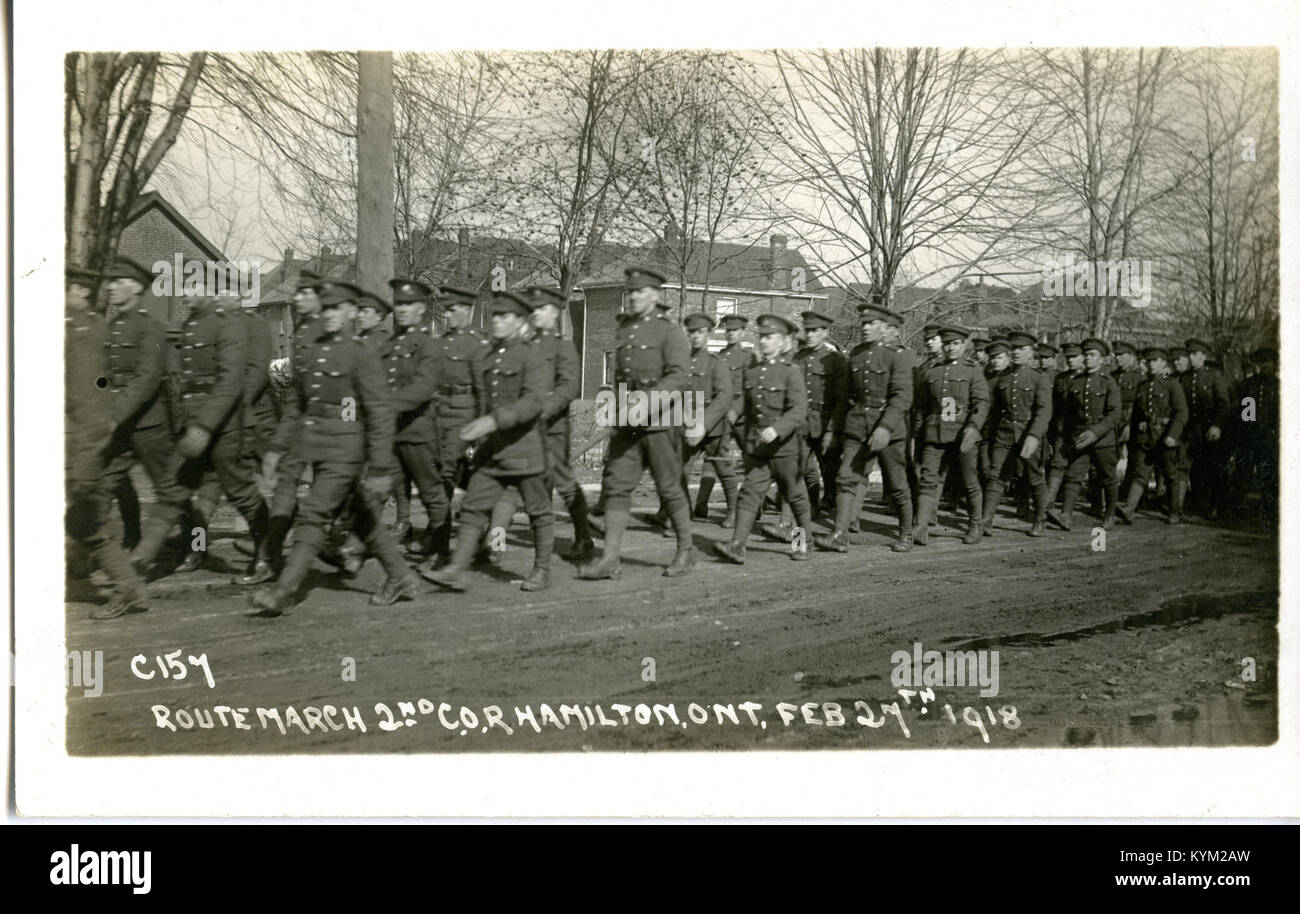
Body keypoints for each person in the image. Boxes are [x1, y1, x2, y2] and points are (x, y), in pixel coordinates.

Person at [249, 281, 419, 615]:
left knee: (313, 514)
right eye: (325, 309)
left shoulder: (361, 354)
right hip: (318, 448)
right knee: (363, 519)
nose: (328, 315)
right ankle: (401, 576)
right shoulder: (313, 350)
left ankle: (284, 591)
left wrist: (381, 468)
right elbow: (297, 406)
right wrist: (275, 449)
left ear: (351, 312)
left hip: (346, 451)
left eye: (336, 309)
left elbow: (380, 414)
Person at [130, 289, 274, 585]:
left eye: (225, 292)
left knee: (243, 493)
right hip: (200, 425)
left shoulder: (242, 324)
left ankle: (268, 554)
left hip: (237, 421)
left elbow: (248, 375)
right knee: (182, 493)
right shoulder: (194, 325)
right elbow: (185, 381)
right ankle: (188, 551)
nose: (184, 294)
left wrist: (219, 418)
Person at [422, 290, 555, 592]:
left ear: (520, 321)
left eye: (504, 316)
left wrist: (494, 421)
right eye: (494, 315)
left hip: (524, 449)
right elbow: (483, 402)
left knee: (537, 510)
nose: (496, 321)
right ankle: (457, 568)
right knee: (473, 505)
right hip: (491, 450)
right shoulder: (485, 355)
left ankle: (542, 570)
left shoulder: (531, 356)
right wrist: (476, 435)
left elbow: (534, 402)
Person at [577, 267, 694, 580]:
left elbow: (679, 376)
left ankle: (686, 550)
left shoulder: (670, 331)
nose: (633, 298)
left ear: (655, 295)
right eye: (630, 293)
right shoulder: (625, 329)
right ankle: (610, 559)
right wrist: (617, 409)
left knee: (669, 488)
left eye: (640, 292)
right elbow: (621, 376)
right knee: (616, 486)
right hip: (628, 424)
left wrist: (649, 402)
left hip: (660, 422)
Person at [65, 265, 149, 619]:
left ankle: (127, 587)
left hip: (85, 439)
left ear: (79, 291)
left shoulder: (83, 330)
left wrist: (84, 454)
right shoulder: (81, 326)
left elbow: (90, 399)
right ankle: (83, 564)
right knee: (82, 519)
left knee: (88, 520)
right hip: (81, 439)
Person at [489, 286, 596, 563]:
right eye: (533, 309)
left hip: (552, 431)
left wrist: (541, 410)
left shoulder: (562, 347)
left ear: (555, 313)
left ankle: (584, 538)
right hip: (522, 432)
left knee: (564, 484)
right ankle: (495, 546)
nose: (535, 313)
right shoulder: (523, 345)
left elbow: (569, 386)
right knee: (511, 485)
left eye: (542, 309)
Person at [815, 302, 913, 553]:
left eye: (871, 323)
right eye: (864, 323)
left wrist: (885, 428)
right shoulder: (856, 355)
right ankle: (839, 535)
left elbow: (902, 397)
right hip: (857, 426)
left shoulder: (897, 357)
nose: (865, 327)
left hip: (888, 432)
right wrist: (832, 430)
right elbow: (845, 395)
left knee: (898, 483)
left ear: (884, 327)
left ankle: (906, 533)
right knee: (845, 479)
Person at [714, 314, 812, 564]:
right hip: (759, 449)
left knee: (795, 496)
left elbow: (799, 410)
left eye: (770, 337)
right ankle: (737, 546)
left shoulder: (791, 372)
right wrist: (734, 412)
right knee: (749, 493)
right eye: (762, 337)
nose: (764, 341)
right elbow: (747, 402)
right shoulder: (753, 371)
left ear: (782, 343)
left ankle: (803, 541)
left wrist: (778, 429)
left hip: (786, 449)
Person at [97, 257, 171, 553]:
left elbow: (147, 377)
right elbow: (104, 376)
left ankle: (197, 544)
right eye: (111, 281)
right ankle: (131, 537)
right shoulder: (113, 326)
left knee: (169, 489)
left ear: (137, 288)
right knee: (108, 482)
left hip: (148, 425)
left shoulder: (151, 329)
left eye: (119, 282)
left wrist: (115, 415)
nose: (111, 287)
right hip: (119, 422)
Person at [429, 285, 491, 564]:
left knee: (444, 477)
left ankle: (440, 546)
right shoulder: (442, 343)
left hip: (465, 417)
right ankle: (482, 530)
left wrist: (480, 431)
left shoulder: (476, 345)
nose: (448, 315)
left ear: (467, 311)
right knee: (461, 478)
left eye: (453, 310)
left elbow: (483, 391)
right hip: (441, 415)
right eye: (446, 310)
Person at [911, 327, 989, 546]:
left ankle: (975, 524)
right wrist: (917, 436)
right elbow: (922, 408)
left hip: (963, 434)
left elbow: (981, 403)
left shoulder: (973, 371)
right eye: (947, 344)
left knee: (969, 481)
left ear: (964, 345)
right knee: (928, 481)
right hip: (934, 435)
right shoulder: (931, 372)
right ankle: (921, 526)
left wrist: (974, 427)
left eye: (955, 343)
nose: (951, 348)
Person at [657, 312, 732, 537]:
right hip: (686, 425)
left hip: (712, 428)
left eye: (700, 332)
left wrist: (703, 424)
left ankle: (735, 511)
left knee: (724, 469)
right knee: (679, 470)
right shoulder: (680, 362)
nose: (696, 337)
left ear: (708, 334)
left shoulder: (716, 363)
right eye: (692, 332)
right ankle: (681, 514)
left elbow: (724, 396)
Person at [1045, 339, 1123, 531]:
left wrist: (1096, 432)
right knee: (1074, 475)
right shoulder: (1076, 382)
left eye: (1093, 355)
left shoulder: (1108, 382)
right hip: (1080, 438)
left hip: (1103, 440)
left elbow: (1114, 413)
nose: (1088, 359)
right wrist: (1071, 436)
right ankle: (1066, 515)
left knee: (1107, 477)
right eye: (1086, 355)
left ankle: (1110, 514)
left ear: (1102, 359)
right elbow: (1070, 413)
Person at [981, 331, 1052, 537]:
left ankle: (1040, 520)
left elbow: (1044, 410)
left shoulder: (1039, 378)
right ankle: (986, 519)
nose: (1016, 353)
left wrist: (1034, 435)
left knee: (1035, 478)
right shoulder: (1002, 377)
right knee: (997, 476)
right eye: (1014, 349)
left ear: (1031, 353)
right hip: (1004, 434)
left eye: (1022, 349)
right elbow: (992, 408)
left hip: (1028, 434)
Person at [1116, 347, 1188, 525]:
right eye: (1148, 361)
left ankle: (1175, 511)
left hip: (1165, 438)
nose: (1150, 364)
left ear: (1163, 363)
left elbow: (1181, 413)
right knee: (1140, 473)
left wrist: (1173, 435)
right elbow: (1136, 418)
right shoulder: (1143, 386)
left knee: (1171, 475)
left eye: (1155, 361)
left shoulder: (1172, 384)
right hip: (1145, 438)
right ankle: (1129, 509)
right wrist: (1133, 439)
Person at [705, 313, 753, 527]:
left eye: (735, 331)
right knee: (719, 459)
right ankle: (730, 510)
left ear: (742, 333)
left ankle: (753, 505)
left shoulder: (748, 357)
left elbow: (748, 389)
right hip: (721, 418)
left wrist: (736, 411)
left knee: (752, 462)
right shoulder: (719, 357)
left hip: (741, 417)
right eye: (728, 330)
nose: (730, 334)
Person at [1180, 337, 1231, 520]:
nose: (1191, 357)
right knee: (1194, 469)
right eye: (1189, 354)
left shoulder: (1213, 376)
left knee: (1214, 468)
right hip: (1190, 431)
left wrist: (1217, 426)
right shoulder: (1183, 378)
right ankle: (1199, 503)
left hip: (1210, 430)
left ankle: (1216, 505)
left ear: (1203, 356)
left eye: (1195, 354)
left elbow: (1224, 404)